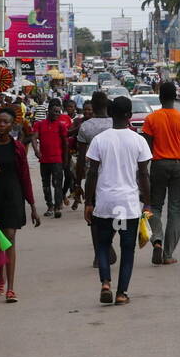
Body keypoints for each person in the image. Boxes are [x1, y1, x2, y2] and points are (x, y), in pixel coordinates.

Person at [84, 97, 152, 305]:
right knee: (127, 249)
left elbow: (92, 173)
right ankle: (122, 293)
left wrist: (88, 202)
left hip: (105, 203)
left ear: (111, 114)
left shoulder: (100, 140)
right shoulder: (138, 140)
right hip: (126, 206)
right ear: (129, 115)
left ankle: (106, 282)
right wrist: (148, 203)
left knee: (103, 245)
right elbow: (143, 175)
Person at [0, 106, 40, 300]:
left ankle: (10, 288)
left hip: (13, 196)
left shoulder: (18, 148)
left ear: (12, 125)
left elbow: (25, 178)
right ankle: (0, 279)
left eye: (6, 122)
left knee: (10, 239)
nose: (2, 124)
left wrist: (33, 206)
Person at [141, 81, 180, 266]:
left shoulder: (151, 119)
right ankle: (167, 255)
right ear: (176, 97)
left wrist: (142, 174)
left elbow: (146, 150)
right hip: (178, 166)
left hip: (158, 165)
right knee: (176, 210)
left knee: (155, 206)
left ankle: (157, 240)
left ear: (160, 97)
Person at [76, 91, 116, 267]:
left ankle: (99, 254)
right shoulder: (117, 124)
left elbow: (80, 158)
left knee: (93, 216)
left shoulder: (85, 127)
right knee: (115, 213)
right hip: (114, 177)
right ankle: (107, 244)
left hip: (93, 178)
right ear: (107, 105)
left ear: (92, 105)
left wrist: (78, 183)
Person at [34, 101, 69, 217]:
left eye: (59, 112)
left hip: (57, 160)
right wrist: (36, 151)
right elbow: (34, 138)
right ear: (48, 111)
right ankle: (50, 206)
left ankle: (57, 207)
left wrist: (65, 159)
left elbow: (65, 143)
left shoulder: (61, 125)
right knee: (46, 184)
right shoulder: (39, 124)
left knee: (57, 183)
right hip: (44, 160)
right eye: (55, 111)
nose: (57, 114)